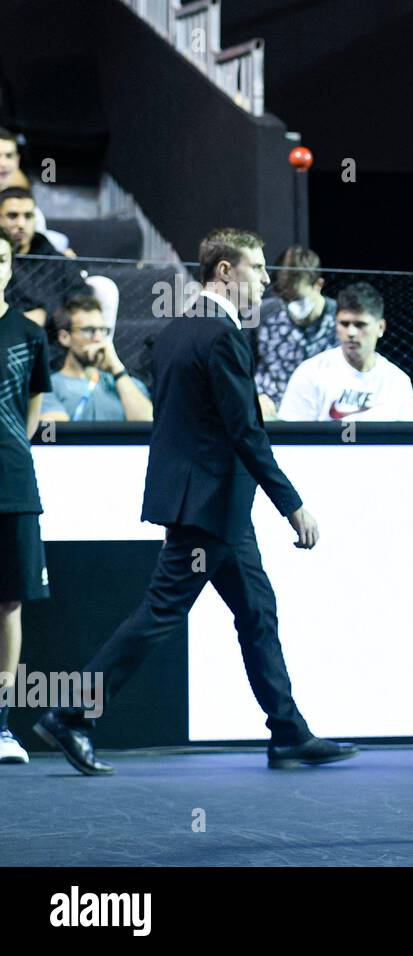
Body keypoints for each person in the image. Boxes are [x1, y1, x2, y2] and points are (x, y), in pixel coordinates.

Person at [36, 227, 358, 775]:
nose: (265, 281)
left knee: (256, 612)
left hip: (212, 503)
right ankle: (70, 713)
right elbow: (245, 432)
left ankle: (287, 733)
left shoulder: (179, 329)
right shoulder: (220, 335)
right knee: (161, 613)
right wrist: (293, 504)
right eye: (256, 269)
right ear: (225, 272)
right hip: (209, 506)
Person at [0, 232, 51, 765]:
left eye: (0, 259)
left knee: (8, 603)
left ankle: (0, 725)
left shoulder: (27, 334)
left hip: (13, 485)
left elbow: (31, 410)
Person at [277, 282, 413, 422]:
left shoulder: (397, 381)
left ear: (380, 327)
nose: (351, 332)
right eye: (344, 324)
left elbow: (408, 441)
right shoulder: (310, 373)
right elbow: (293, 437)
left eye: (360, 324)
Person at [40, 293, 153, 422]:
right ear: (64, 337)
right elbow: (57, 438)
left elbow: (146, 423)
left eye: (103, 330)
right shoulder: (48, 388)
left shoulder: (125, 382)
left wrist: (117, 370)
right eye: (89, 330)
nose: (99, 338)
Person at [252, 245, 338, 415]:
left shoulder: (340, 321)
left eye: (297, 298)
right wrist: (255, 396)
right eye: (284, 297)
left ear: (318, 285)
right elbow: (242, 364)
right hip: (270, 412)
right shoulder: (264, 313)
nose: (290, 304)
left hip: (320, 413)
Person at [0, 186, 80, 327]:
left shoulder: (56, 260)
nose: (21, 224)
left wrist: (47, 314)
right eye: (13, 216)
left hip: (54, 339)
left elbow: (81, 301)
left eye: (28, 216)